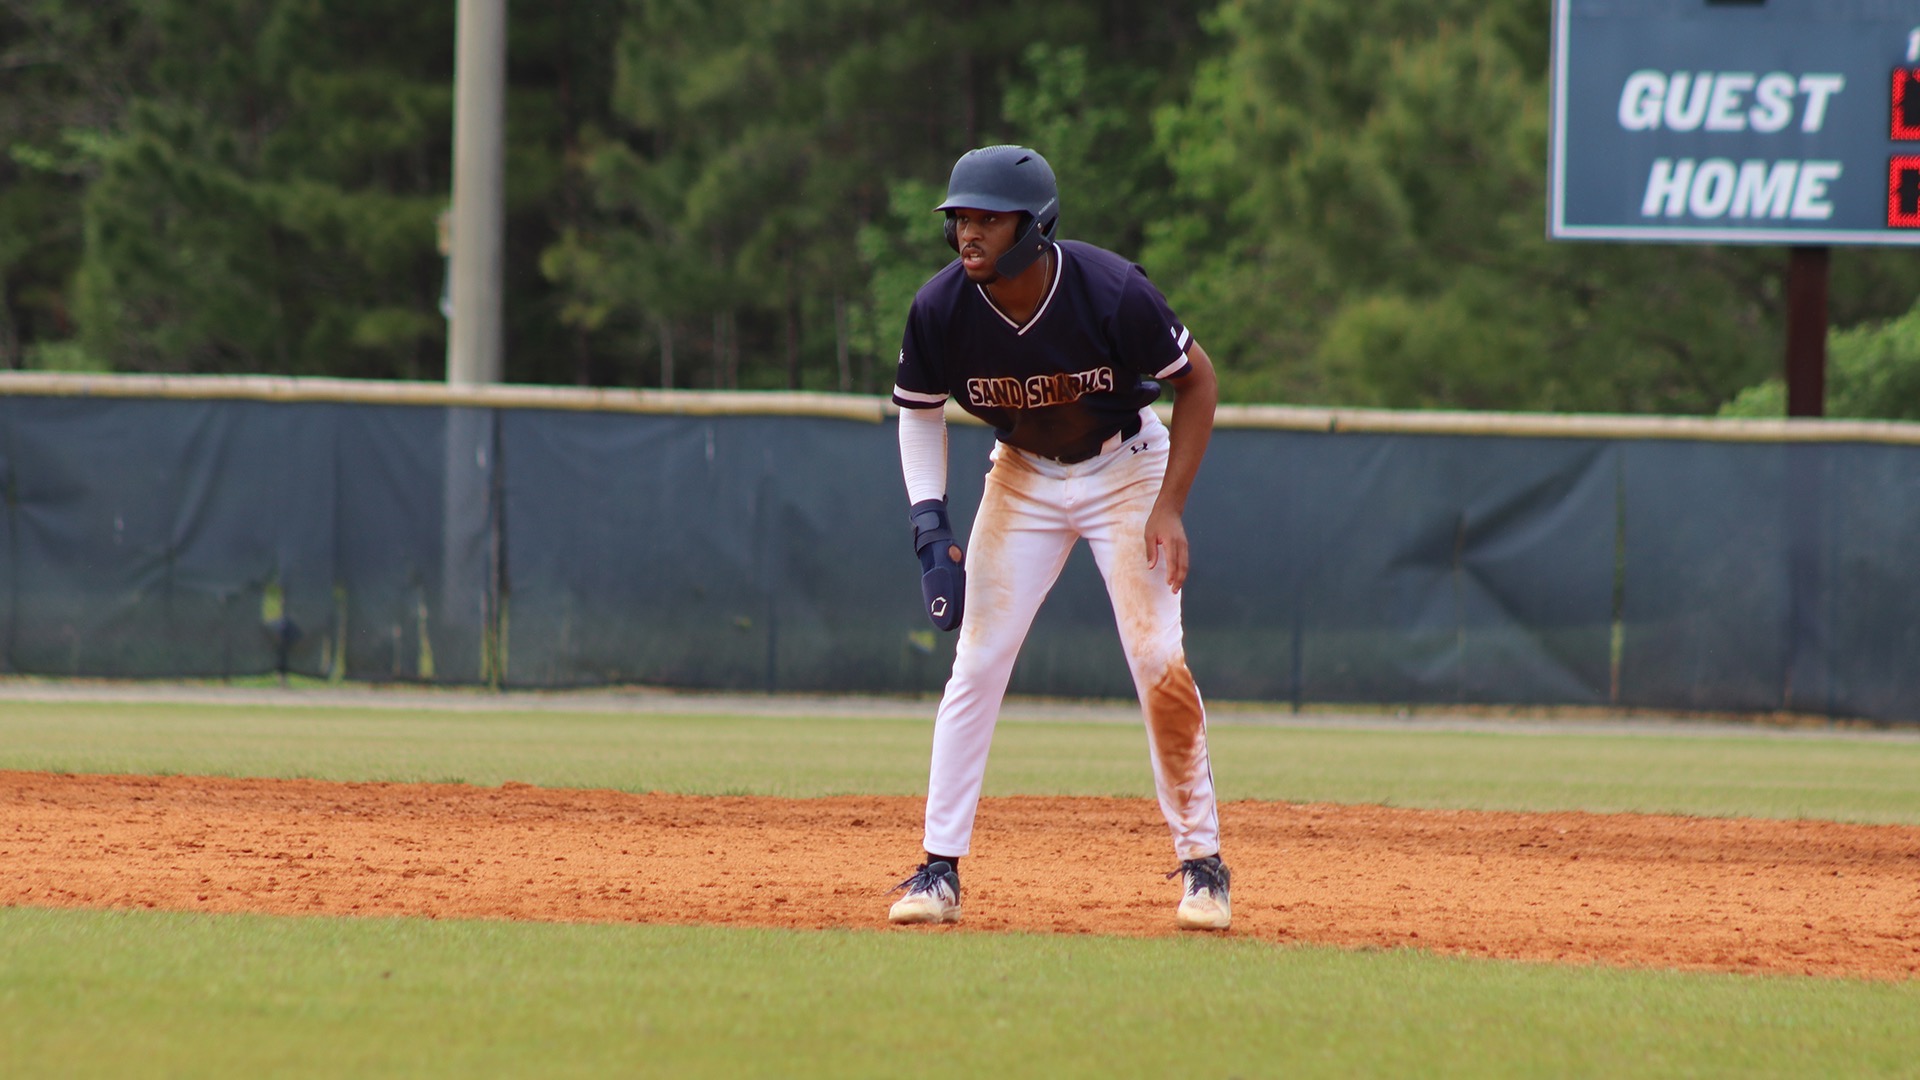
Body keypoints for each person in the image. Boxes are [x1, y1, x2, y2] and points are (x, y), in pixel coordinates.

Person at [886, 145, 1229, 931]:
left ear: (1034, 228)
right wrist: (929, 523)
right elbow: (919, 407)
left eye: (988, 218)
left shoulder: (1111, 292)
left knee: (1156, 659)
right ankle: (938, 870)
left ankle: (1204, 865)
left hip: (1126, 469)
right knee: (976, 661)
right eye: (961, 218)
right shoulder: (941, 307)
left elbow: (1198, 382)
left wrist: (1170, 504)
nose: (969, 232)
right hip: (1022, 475)